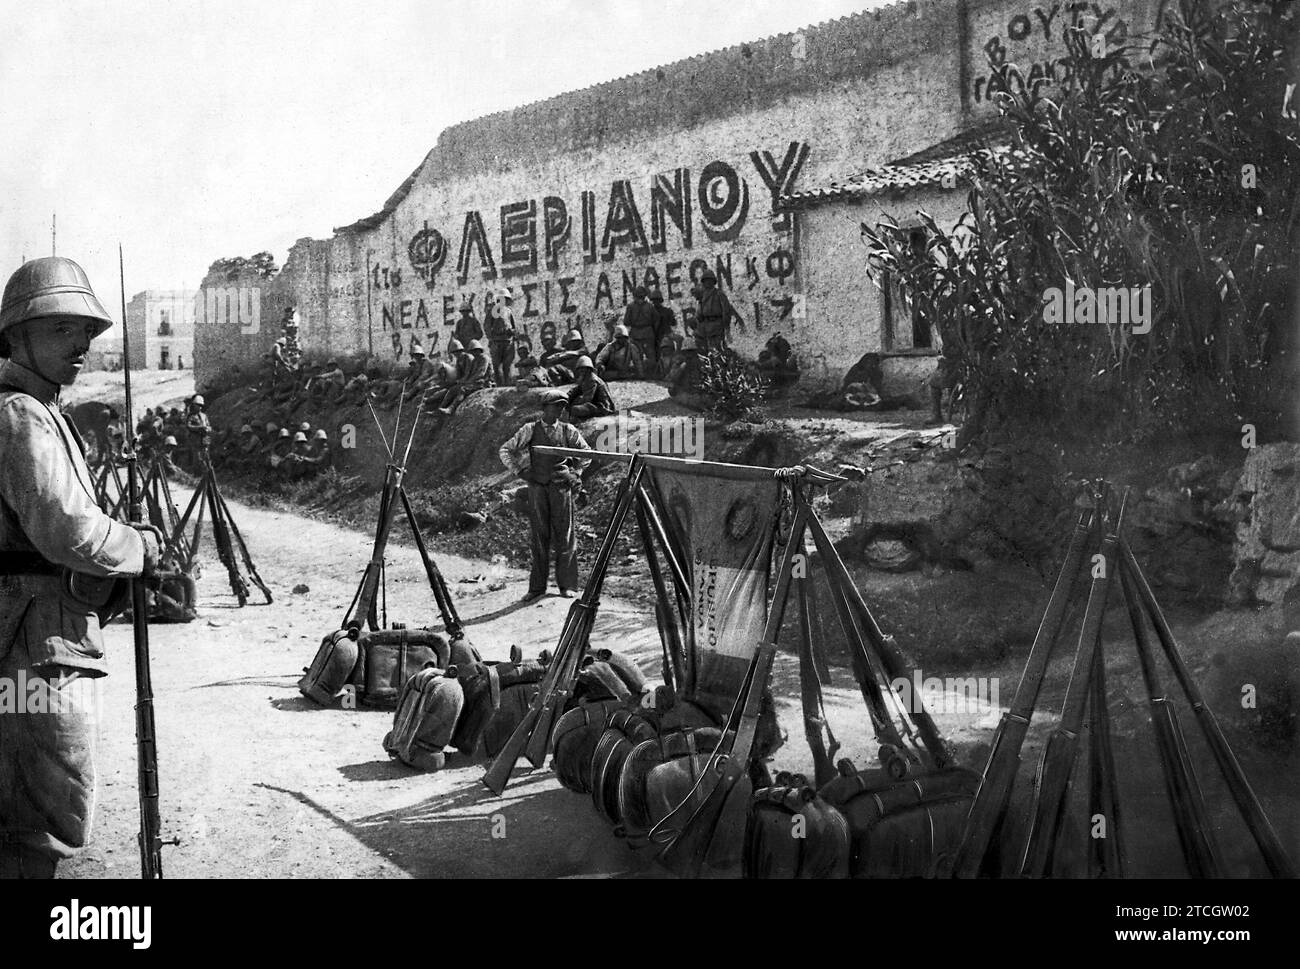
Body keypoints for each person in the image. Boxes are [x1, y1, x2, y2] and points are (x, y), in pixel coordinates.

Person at [0, 256, 163, 878]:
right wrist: (138, 546)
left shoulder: (43, 410)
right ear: (16, 336)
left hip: (46, 631)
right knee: (38, 812)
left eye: (85, 333)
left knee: (40, 801)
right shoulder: (21, 414)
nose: (80, 347)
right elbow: (68, 531)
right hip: (31, 642)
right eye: (60, 330)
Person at [498, 390, 592, 601]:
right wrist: (520, 471)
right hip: (538, 488)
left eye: (562, 406)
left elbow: (587, 454)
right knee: (539, 537)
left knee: (565, 536)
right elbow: (505, 450)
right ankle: (537, 588)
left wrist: (575, 473)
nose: (559, 410)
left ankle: (567, 585)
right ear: (545, 408)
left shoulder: (569, 430)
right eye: (555, 405)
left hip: (561, 489)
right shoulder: (530, 429)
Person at [691, 270, 738, 352]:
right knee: (703, 349)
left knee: (717, 350)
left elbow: (726, 311)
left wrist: (726, 327)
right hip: (704, 326)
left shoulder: (719, 294)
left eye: (710, 280)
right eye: (706, 280)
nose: (708, 282)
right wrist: (696, 320)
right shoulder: (702, 295)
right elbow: (699, 311)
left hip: (716, 325)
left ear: (713, 281)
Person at [485, 287, 517, 386]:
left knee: (507, 366)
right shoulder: (493, 310)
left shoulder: (508, 311)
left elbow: (514, 326)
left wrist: (512, 333)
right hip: (497, 342)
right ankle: (500, 386)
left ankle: (507, 386)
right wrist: (491, 339)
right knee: (497, 366)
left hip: (508, 342)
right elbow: (487, 326)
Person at [622, 286, 658, 372]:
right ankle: (652, 373)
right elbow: (656, 319)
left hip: (635, 333)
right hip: (648, 333)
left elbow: (626, 321)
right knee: (650, 354)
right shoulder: (650, 306)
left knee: (637, 355)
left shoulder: (630, 306)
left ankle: (640, 373)